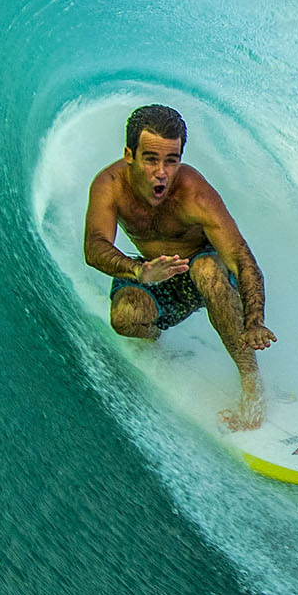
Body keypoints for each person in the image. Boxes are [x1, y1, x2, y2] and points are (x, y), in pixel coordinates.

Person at [83, 104, 274, 429]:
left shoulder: (194, 195)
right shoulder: (110, 186)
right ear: (130, 154)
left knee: (208, 271)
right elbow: (94, 246)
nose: (162, 172)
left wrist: (254, 322)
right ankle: (159, 340)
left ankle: (253, 385)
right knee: (125, 318)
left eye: (172, 161)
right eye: (151, 159)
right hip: (154, 271)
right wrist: (138, 271)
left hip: (204, 270)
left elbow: (242, 259)